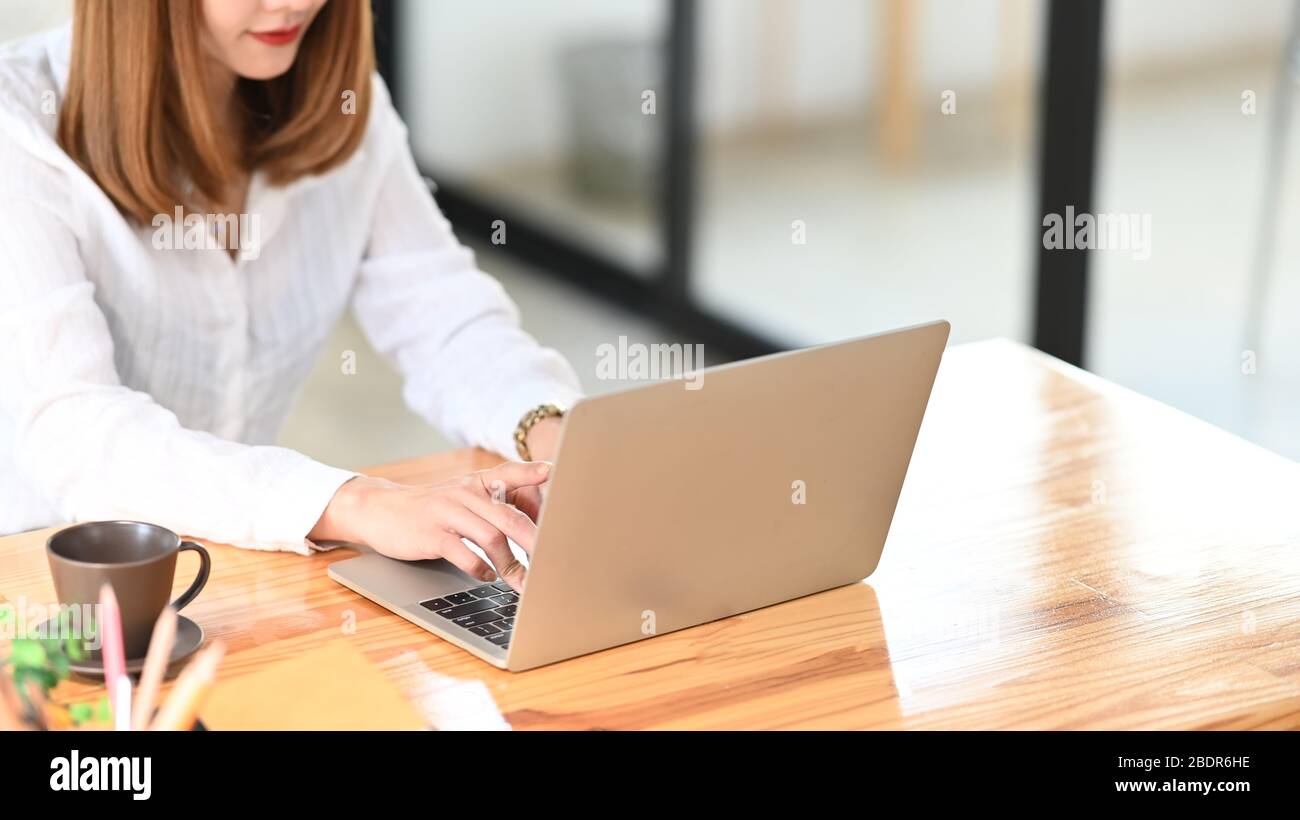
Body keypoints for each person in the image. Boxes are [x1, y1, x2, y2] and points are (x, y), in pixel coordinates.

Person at [0, 0, 584, 591]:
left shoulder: (344, 104)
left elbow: (441, 314)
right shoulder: (19, 120)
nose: (299, 2)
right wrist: (356, 504)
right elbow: (77, 431)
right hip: (39, 586)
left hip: (228, 565)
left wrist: (553, 437)